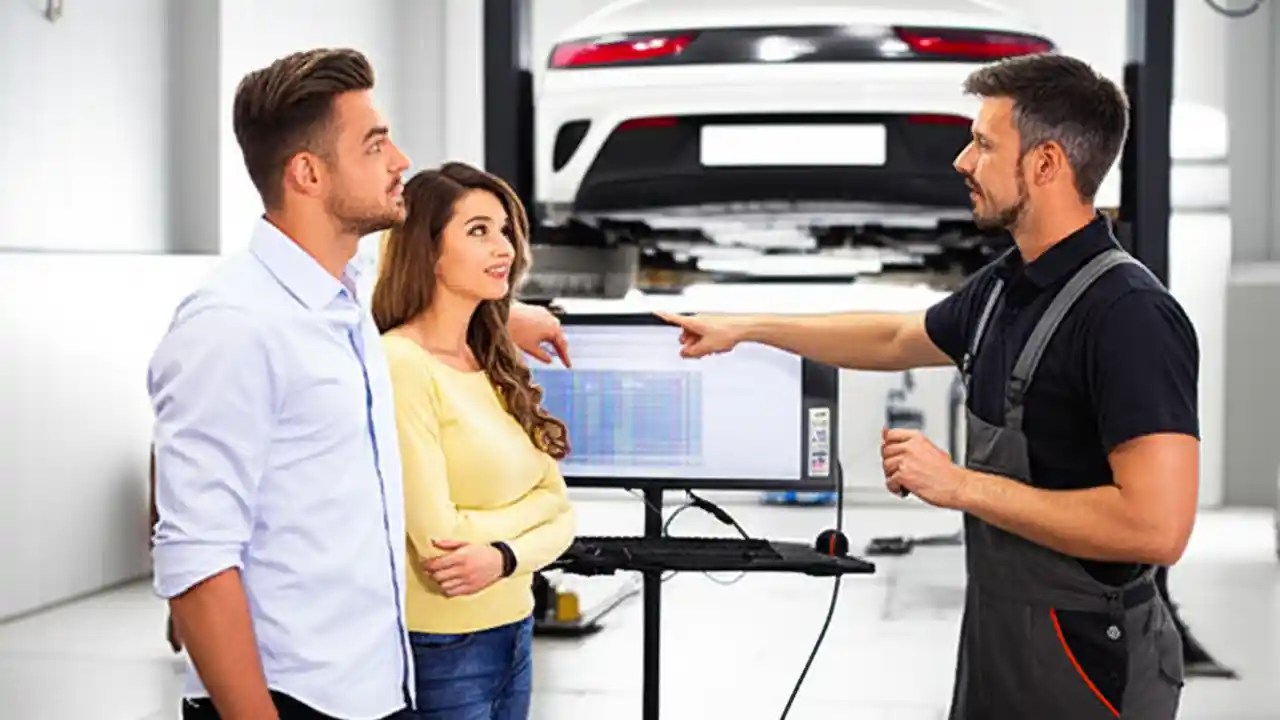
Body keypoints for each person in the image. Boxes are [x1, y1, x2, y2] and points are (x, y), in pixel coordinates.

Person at [658, 53, 1197, 719]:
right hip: (999, 637)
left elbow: (1156, 526)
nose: (962, 162)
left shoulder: (1128, 315)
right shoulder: (1006, 287)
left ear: (1046, 163)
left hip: (1091, 662)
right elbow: (892, 337)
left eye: (982, 143)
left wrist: (959, 485)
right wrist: (746, 327)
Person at [147, 48, 570, 720]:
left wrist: (501, 313)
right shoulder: (235, 325)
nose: (401, 159)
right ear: (308, 173)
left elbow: (420, 288)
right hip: (297, 699)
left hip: (378, 688)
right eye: (375, 145)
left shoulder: (342, 301)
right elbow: (195, 558)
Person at [372, 162, 577, 720]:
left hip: (513, 625)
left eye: (506, 230)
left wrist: (503, 556)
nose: (504, 247)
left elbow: (561, 508)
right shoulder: (402, 363)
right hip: (443, 643)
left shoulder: (491, 358)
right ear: (428, 251)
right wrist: (524, 527)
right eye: (479, 230)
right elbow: (439, 541)